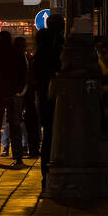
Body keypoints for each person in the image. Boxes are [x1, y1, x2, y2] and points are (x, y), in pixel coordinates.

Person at [0, 29, 28, 168]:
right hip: (13, 94)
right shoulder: (18, 55)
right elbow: (24, 73)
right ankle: (18, 157)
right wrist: (19, 90)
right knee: (15, 126)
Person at [32, 15, 64, 182]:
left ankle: (46, 171)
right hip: (56, 96)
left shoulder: (39, 51)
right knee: (55, 133)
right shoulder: (56, 47)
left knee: (49, 134)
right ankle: (52, 170)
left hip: (43, 97)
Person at [15, 35, 41, 157]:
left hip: (22, 94)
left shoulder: (24, 58)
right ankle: (30, 149)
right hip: (24, 94)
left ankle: (22, 151)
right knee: (30, 124)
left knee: (19, 124)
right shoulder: (24, 58)